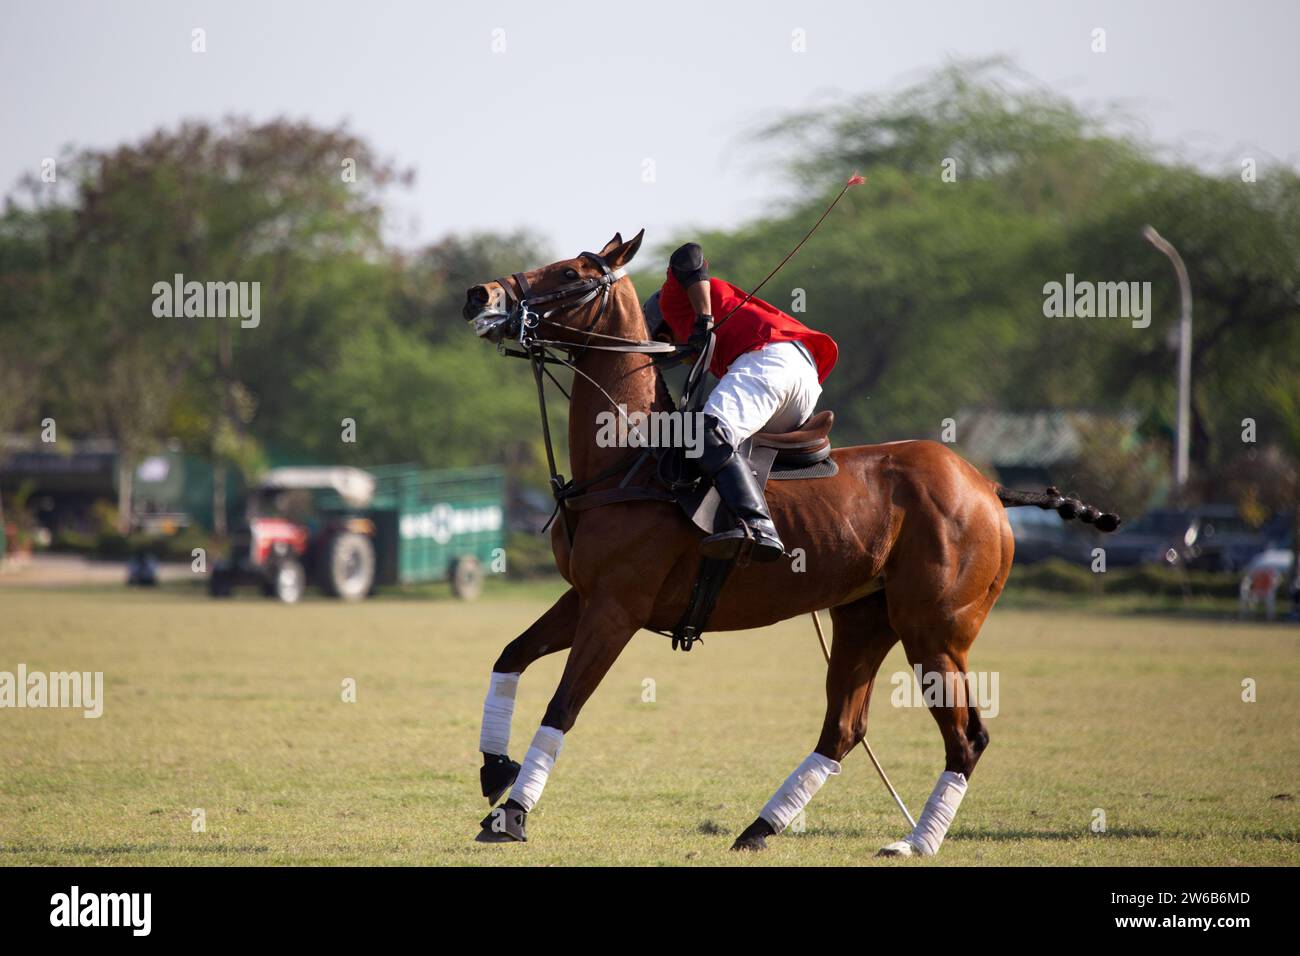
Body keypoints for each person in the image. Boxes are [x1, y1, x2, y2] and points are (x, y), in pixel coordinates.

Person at [644, 242, 838, 561]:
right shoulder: (722, 354)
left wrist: (703, 319)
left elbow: (689, 255)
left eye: (667, 347)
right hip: (802, 380)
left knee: (705, 433)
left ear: (660, 329)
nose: (682, 357)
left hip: (771, 359)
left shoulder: (673, 301)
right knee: (720, 452)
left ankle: (758, 525)